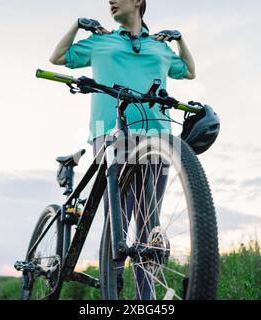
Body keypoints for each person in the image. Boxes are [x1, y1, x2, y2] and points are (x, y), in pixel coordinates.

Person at [50, 0, 196, 299]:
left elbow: (189, 72)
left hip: (157, 131)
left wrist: (179, 38)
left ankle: (147, 299)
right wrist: (78, 25)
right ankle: (112, 292)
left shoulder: (159, 47)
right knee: (120, 215)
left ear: (139, 2)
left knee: (149, 220)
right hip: (110, 130)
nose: (110, 1)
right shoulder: (101, 40)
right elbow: (58, 57)